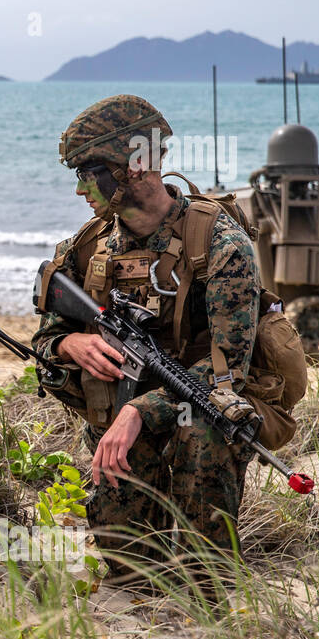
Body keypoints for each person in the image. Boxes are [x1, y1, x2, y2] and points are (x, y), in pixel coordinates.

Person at [32, 94, 262, 592]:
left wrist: (137, 413)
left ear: (135, 168)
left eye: (88, 173)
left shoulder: (219, 246)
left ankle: (211, 584)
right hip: (119, 420)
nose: (79, 190)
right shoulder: (90, 247)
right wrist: (70, 344)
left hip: (198, 409)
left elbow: (228, 373)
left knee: (209, 428)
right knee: (132, 574)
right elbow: (43, 338)